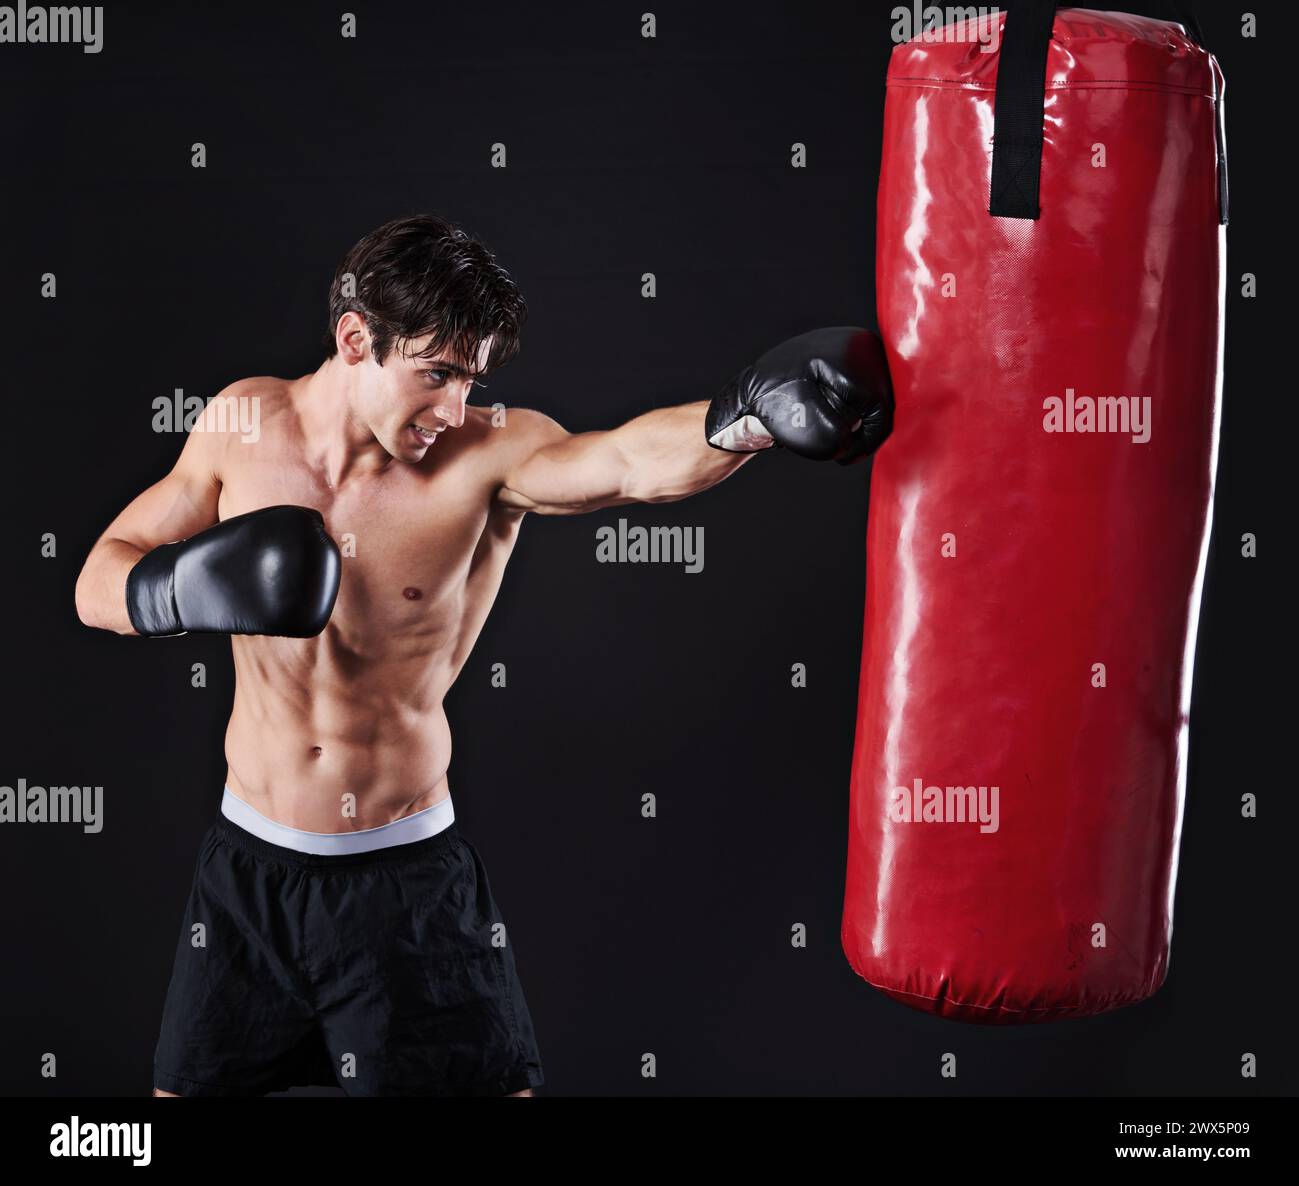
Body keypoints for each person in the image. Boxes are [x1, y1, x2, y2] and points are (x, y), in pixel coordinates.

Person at [74, 213, 890, 1097]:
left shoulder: (488, 455)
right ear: (356, 339)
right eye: (435, 375)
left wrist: (744, 417)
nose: (453, 408)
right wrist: (181, 591)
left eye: (471, 378)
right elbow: (95, 582)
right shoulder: (241, 424)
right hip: (247, 872)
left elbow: (623, 464)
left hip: (406, 880)